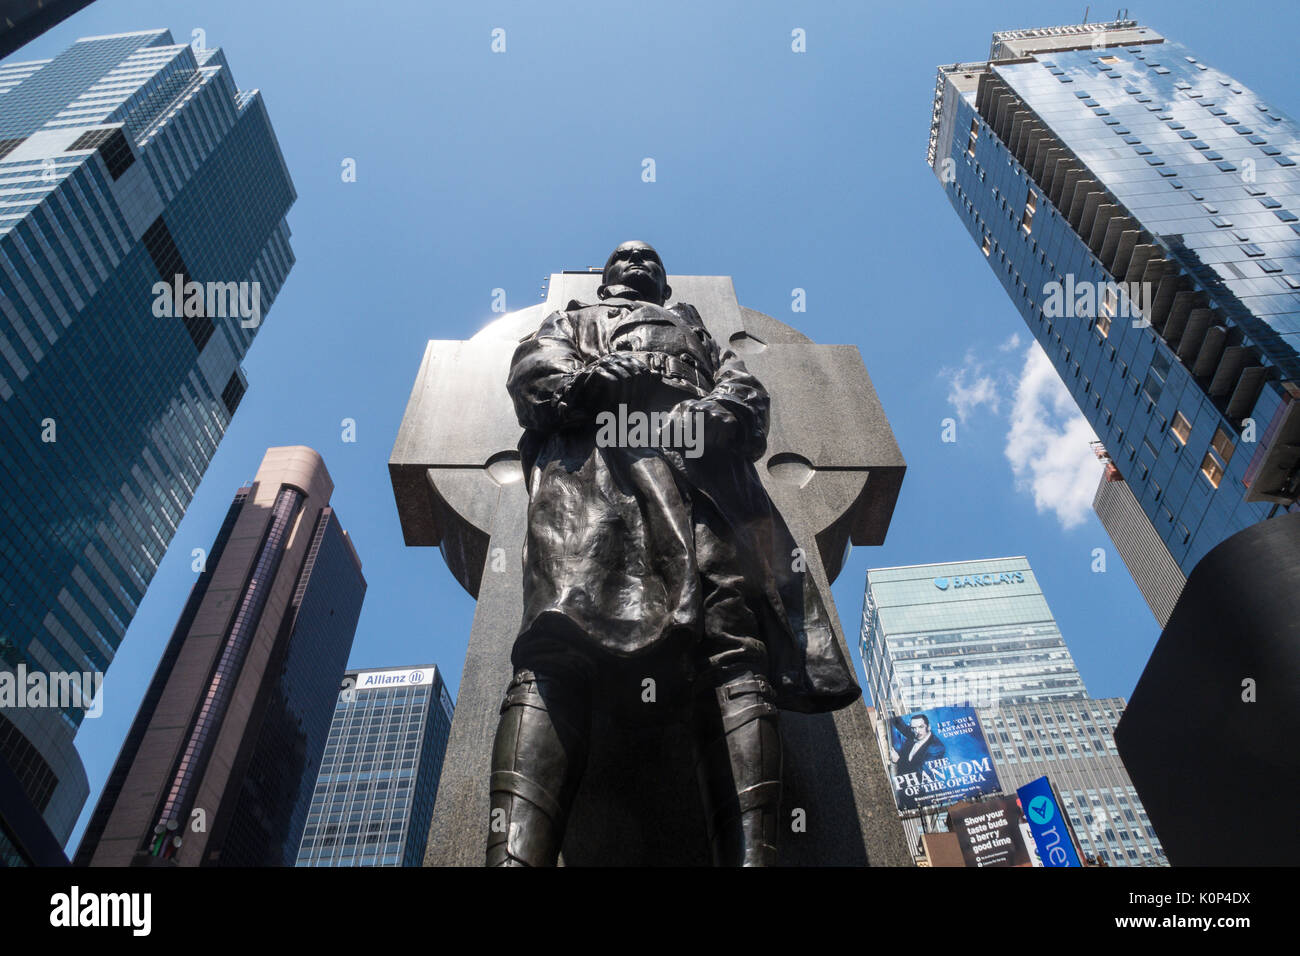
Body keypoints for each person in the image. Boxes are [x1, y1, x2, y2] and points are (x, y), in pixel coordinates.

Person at [487, 240, 861, 866]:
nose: (639, 264)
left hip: (704, 484)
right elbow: (533, 368)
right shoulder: (574, 320)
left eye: (651, 262)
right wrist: (587, 381)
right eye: (625, 258)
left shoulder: (698, 333)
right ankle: (514, 857)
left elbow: (746, 393)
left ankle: (752, 858)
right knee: (556, 642)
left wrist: (717, 414)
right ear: (605, 279)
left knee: (734, 650)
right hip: (596, 479)